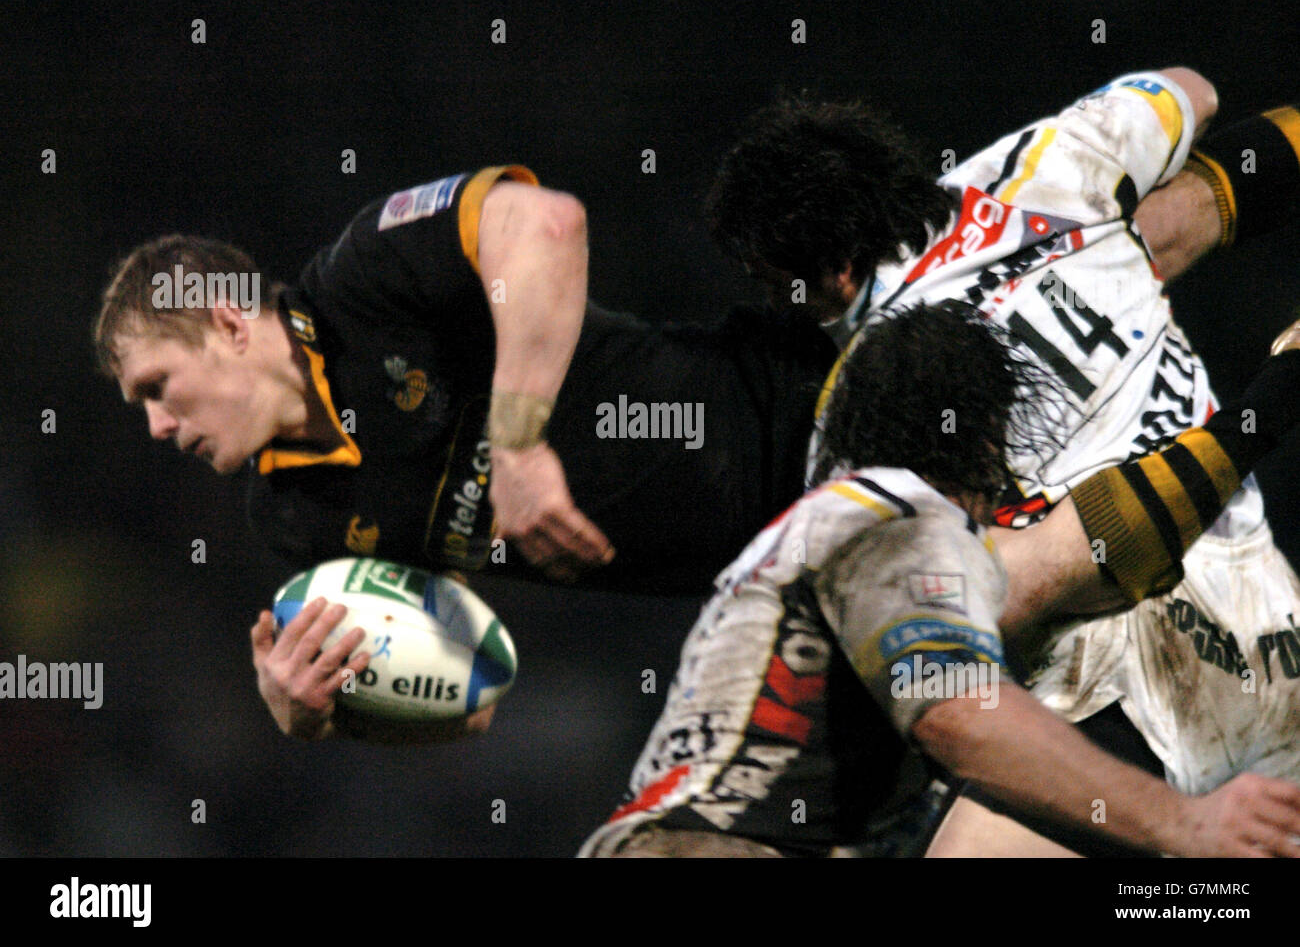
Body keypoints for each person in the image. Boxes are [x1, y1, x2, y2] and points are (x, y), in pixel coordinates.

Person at [704, 69, 1300, 854]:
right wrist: (1154, 229)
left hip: (1109, 685)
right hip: (1270, 625)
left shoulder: (866, 404)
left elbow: (980, 610)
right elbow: (1196, 92)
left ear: (824, 274)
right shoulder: (1045, 160)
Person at [94, 166, 837, 737]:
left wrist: (515, 442)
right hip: (800, 581)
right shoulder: (293, 518)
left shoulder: (365, 278)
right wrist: (324, 710)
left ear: (228, 323)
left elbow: (546, 221)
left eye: (156, 387)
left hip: (816, 414)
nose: (157, 427)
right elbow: (468, 693)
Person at [582, 302, 1300, 858]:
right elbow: (959, 712)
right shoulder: (904, 522)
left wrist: (1277, 393)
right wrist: (1184, 822)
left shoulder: (842, 535)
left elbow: (1085, 546)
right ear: (987, 440)